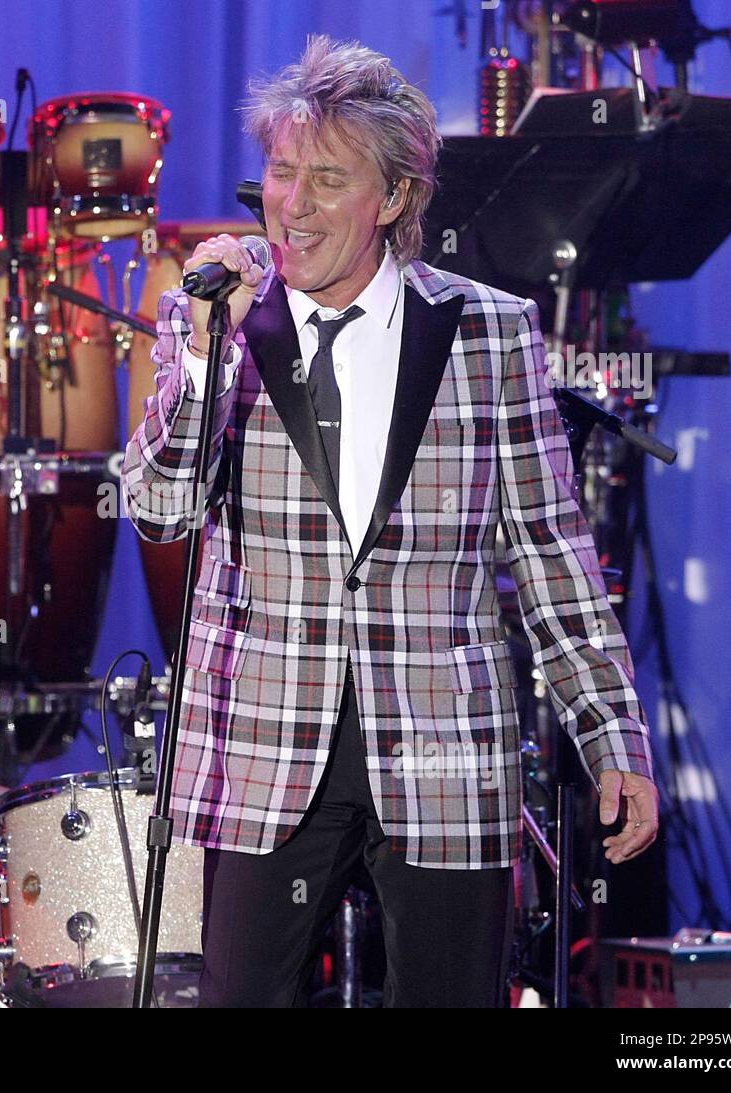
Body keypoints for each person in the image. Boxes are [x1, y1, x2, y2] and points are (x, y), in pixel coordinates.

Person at [122, 35, 659, 1008]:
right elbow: (159, 512)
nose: (293, 202)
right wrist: (208, 359)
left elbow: (551, 551)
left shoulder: (488, 331)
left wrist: (610, 730)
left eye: (328, 178)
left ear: (398, 198)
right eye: (282, 171)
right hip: (262, 738)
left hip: (443, 743)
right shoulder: (222, 320)